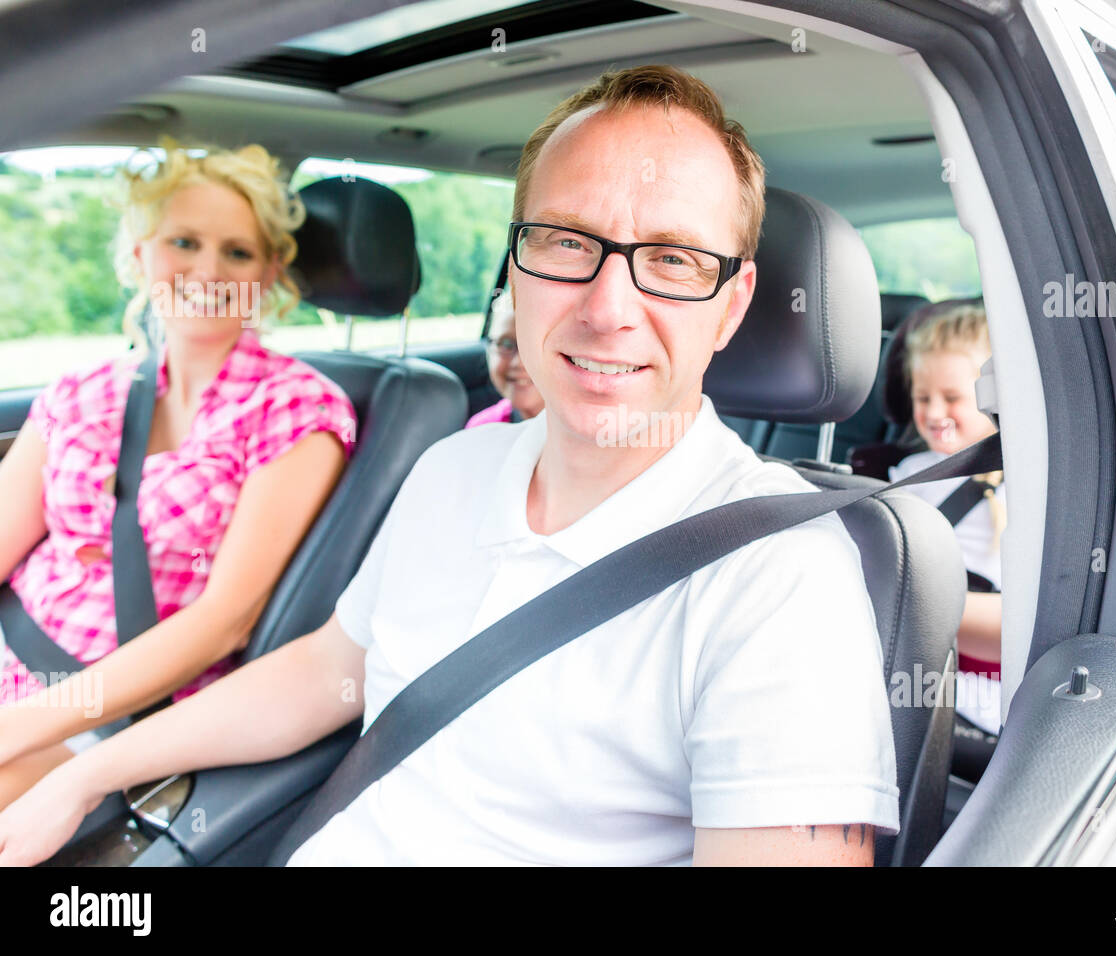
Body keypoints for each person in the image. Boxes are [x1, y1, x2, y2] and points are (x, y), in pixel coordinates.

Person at [0, 65, 897, 867]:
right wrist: (86, 776)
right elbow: (324, 674)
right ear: (515, 264)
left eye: (672, 259)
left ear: (734, 304)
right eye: (566, 242)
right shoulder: (453, 467)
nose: (608, 307)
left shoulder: (783, 575)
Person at [0, 141, 357, 810]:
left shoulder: (296, 409)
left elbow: (225, 620)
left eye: (238, 252)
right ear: (141, 256)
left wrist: (14, 729)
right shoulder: (79, 391)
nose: (207, 269)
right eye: (184, 241)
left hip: (112, 713)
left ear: (271, 270)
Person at [887, 298, 1004, 738]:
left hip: (979, 693)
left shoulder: (1020, 487)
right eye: (923, 398)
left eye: (953, 398)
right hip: (908, 663)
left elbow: (1017, 622)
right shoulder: (906, 475)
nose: (935, 414)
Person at [466, 288, 544, 426]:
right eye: (506, 344)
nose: (519, 362)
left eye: (534, 345)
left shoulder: (589, 433)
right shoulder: (481, 429)